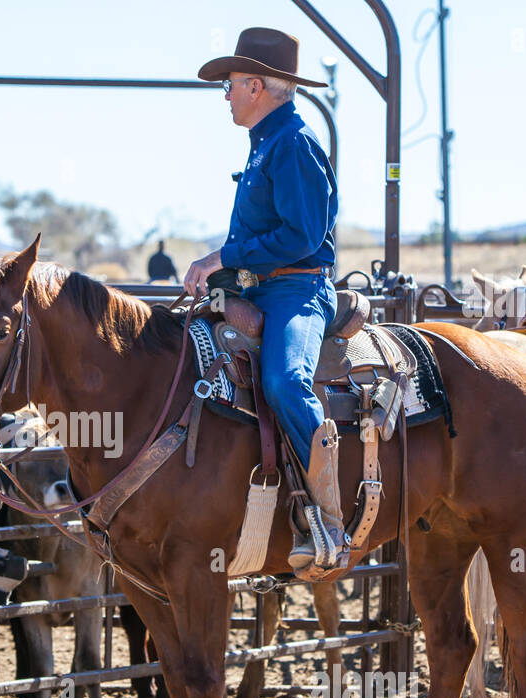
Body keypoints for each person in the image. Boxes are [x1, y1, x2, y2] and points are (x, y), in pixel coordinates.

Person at [184, 27, 340, 573]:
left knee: (282, 380)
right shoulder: (268, 146)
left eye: (229, 84)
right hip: (266, 286)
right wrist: (223, 266)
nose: (225, 95)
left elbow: (301, 236)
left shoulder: (292, 146)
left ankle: (328, 514)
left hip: (299, 289)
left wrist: (224, 259)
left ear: (256, 85)